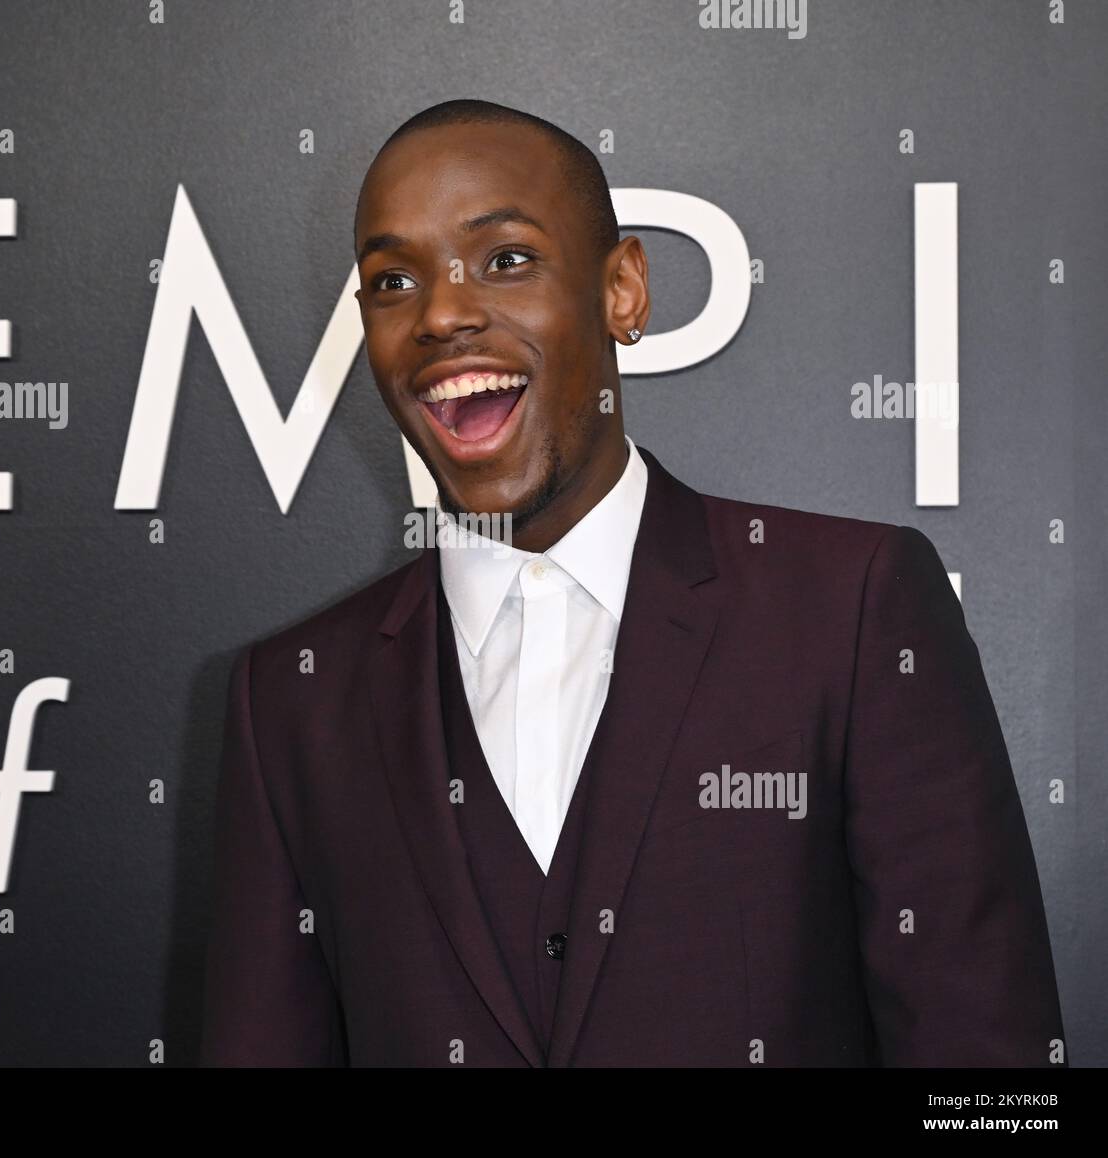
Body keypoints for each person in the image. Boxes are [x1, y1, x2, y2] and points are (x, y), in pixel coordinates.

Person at [200, 99, 1064, 1067]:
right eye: (392, 280)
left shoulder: (853, 610)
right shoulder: (291, 700)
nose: (441, 314)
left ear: (622, 291)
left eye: (506, 259)